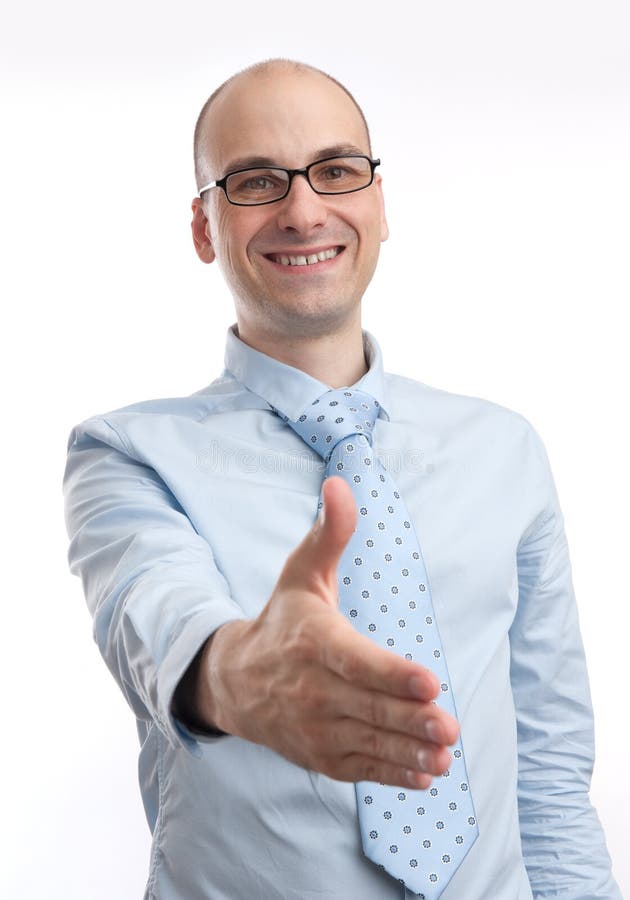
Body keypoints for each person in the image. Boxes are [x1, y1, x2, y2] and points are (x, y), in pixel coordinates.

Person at [62, 59, 620, 900]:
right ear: (204, 227)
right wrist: (247, 675)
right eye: (256, 181)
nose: (302, 210)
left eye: (334, 169)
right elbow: (161, 624)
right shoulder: (127, 453)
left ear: (379, 204)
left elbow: (548, 771)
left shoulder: (504, 449)